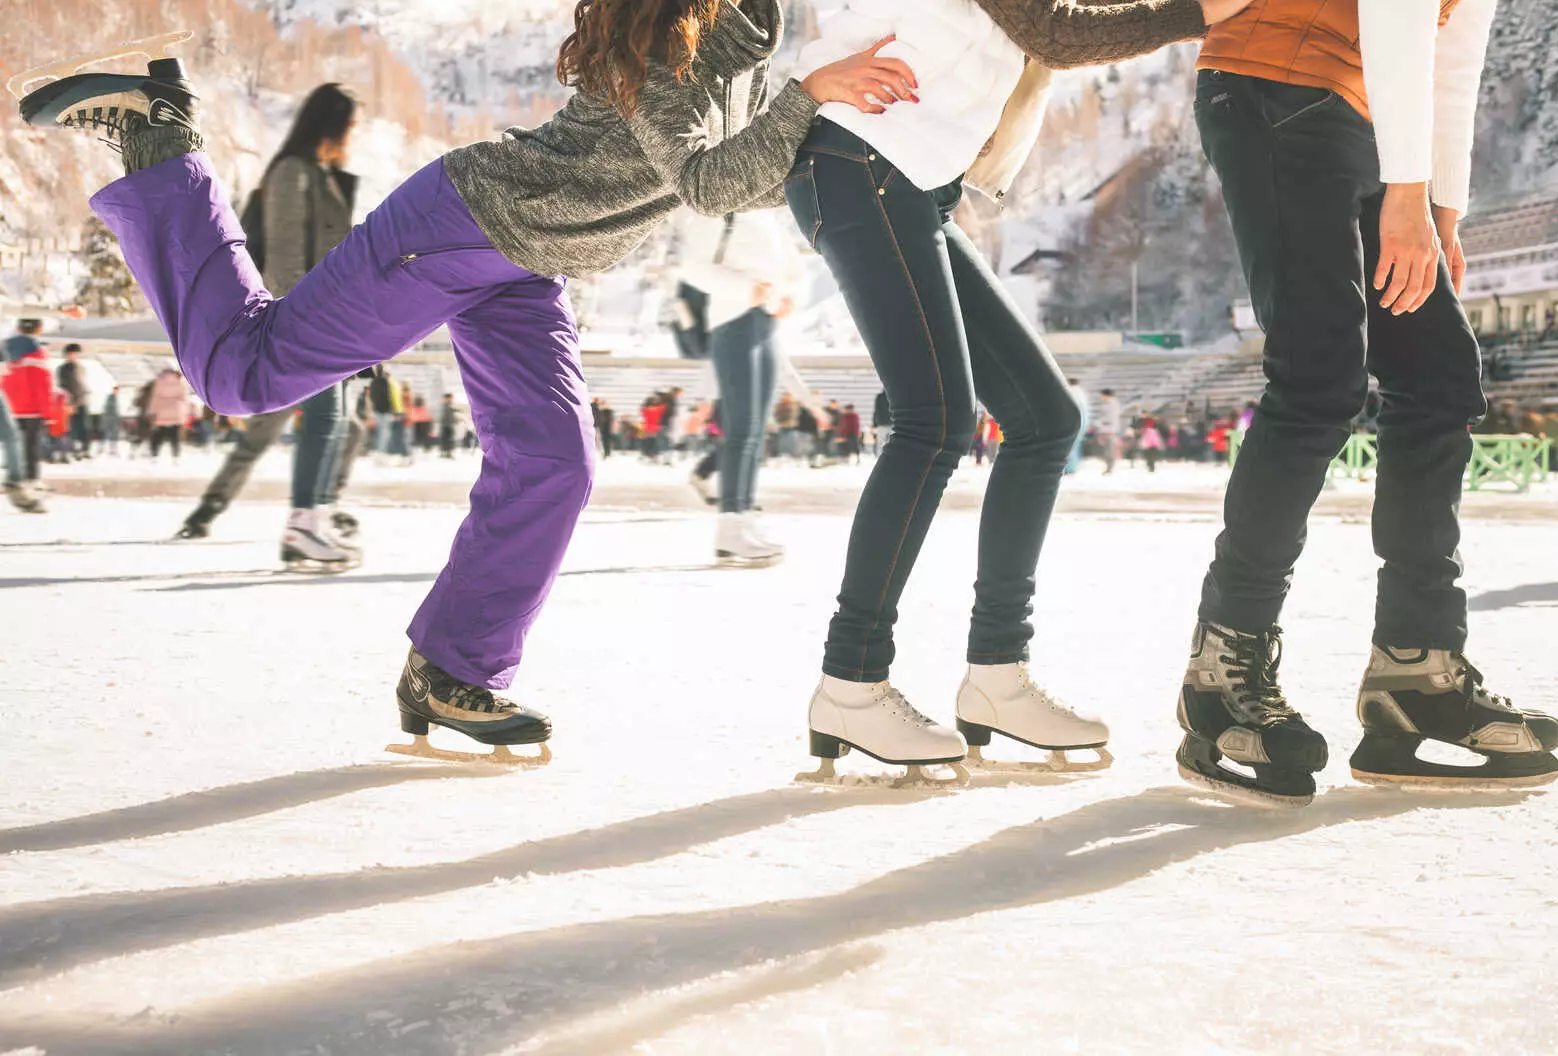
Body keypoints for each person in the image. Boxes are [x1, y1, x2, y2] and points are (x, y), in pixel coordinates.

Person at [22, 0, 915, 759]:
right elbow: (710, 182)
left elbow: (721, 175)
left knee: (555, 463)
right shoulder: (671, 29)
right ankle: (159, 135)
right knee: (242, 373)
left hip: (527, 259)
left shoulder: (748, 21)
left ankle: (453, 672)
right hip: (460, 225)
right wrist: (810, 99)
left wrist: (835, 130)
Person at [785, 0, 1248, 780]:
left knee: (1045, 418)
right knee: (933, 421)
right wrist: (1200, 12)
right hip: (862, 157)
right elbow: (1058, 31)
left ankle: (997, 676)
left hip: (910, 180)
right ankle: (851, 680)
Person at [1177, 0, 1558, 806]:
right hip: (1273, 87)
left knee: (1439, 381)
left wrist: (1437, 209)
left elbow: (1450, 54)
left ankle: (1415, 671)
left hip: (1363, 114)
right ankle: (1222, 669)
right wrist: (1408, 195)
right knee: (1318, 381)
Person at [176, 85, 362, 569]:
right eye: (351, 125)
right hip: (306, 321)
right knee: (322, 422)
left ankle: (314, 521)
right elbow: (283, 258)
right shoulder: (292, 174)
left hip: (331, 321)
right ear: (333, 125)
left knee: (338, 423)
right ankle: (302, 527)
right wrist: (308, 322)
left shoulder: (323, 176)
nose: (353, 136)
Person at [1, 323, 53, 509]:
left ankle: (18, 481)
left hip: (11, 405)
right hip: (32, 409)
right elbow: (43, 384)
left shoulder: (7, 346)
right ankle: (28, 481)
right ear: (39, 328)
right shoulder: (36, 350)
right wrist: (48, 412)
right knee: (29, 446)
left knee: (13, 441)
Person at [145, 367, 188, 460]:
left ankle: (154, 454)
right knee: (175, 435)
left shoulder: (159, 381)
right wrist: (184, 414)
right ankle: (176, 455)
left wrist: (152, 411)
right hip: (176, 410)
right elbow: (184, 398)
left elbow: (155, 397)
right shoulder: (180, 382)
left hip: (162, 411)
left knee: (159, 434)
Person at [56, 344, 91, 458]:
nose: (73, 356)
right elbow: (63, 387)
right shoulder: (63, 369)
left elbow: (82, 385)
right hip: (69, 403)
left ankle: (84, 449)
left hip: (82, 401)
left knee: (84, 427)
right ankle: (68, 450)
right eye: (71, 354)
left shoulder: (81, 368)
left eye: (75, 354)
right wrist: (69, 403)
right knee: (70, 428)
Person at [1065, 375, 1090, 474]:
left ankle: (1069, 468)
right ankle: (1073, 467)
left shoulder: (1071, 392)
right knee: (1076, 446)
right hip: (1082, 423)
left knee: (1070, 447)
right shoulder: (1082, 393)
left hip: (1073, 423)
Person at [1095, 388, 1123, 474]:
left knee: (1109, 448)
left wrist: (1099, 423)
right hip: (1105, 428)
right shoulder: (1108, 403)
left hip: (1109, 428)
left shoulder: (1112, 404)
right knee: (1107, 448)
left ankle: (1110, 467)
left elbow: (1109, 418)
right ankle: (1108, 466)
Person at [440, 393, 460, 459]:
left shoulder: (448, 405)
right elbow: (448, 416)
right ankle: (446, 453)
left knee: (448, 439)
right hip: (446, 425)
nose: (452, 399)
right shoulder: (447, 405)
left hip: (448, 425)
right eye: (451, 398)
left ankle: (448, 453)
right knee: (447, 439)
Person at [872, 389, 891, 454]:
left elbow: (876, 411)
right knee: (893, 442)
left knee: (880, 442)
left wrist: (874, 424)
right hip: (892, 423)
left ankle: (879, 457)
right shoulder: (894, 397)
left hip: (881, 423)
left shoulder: (879, 397)